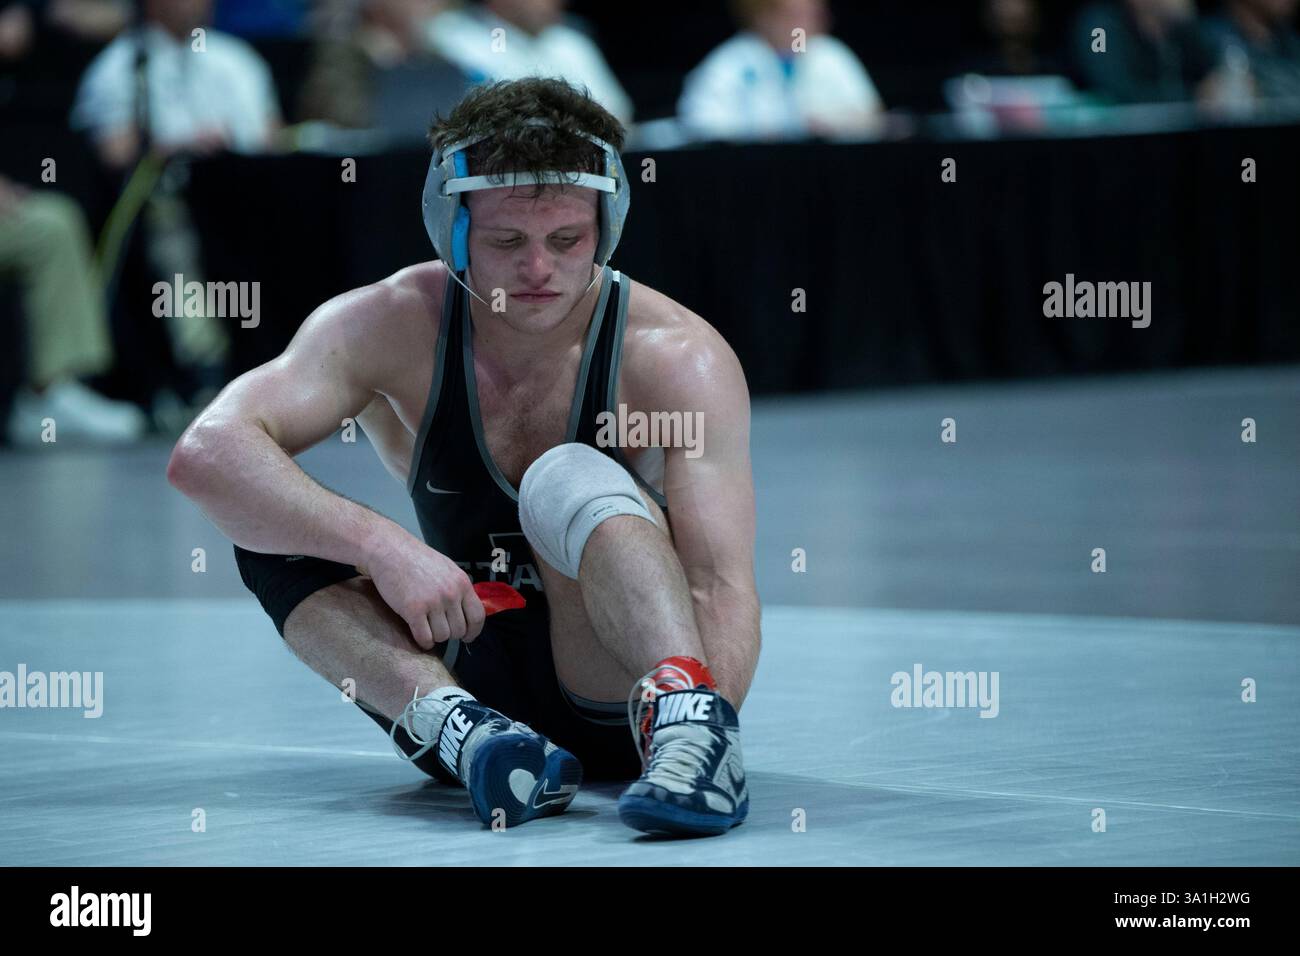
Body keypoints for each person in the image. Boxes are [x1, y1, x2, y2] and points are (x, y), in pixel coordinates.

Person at [167, 77, 760, 836]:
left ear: (606, 228)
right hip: (467, 690)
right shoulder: (391, 323)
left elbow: (719, 584)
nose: (539, 269)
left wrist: (706, 728)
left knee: (566, 475)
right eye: (507, 242)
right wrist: (380, 546)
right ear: (451, 229)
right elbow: (206, 454)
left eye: (567, 241)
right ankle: (472, 737)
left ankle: (692, 730)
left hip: (623, 689)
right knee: (268, 522)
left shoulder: (674, 355)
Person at [677, 0, 884, 141]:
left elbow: (872, 118)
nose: (804, 25)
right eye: (795, 16)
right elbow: (699, 124)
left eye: (812, 15)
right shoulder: (729, 62)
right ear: (763, 17)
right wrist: (757, 134)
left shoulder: (830, 55)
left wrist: (833, 124)